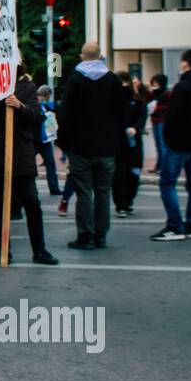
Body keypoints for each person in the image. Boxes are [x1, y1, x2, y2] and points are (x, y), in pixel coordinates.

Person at [0, 71, 58, 265]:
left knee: (32, 203)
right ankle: (4, 250)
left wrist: (19, 106)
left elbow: (36, 116)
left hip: (20, 155)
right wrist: (1, 99)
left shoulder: (28, 88)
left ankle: (39, 250)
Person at [55, 43, 125, 250]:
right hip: (107, 146)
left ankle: (85, 235)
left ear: (81, 56)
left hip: (81, 147)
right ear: (101, 56)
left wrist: (64, 142)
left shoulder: (75, 80)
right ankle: (101, 234)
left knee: (84, 192)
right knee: (103, 192)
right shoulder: (112, 80)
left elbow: (65, 113)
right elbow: (121, 114)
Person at [151, 50, 191, 241]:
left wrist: (169, 137)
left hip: (179, 142)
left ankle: (174, 225)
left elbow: (173, 116)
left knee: (167, 182)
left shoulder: (183, 87)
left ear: (186, 64)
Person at [112, 70, 147, 217]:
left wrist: (135, 128)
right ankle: (121, 204)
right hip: (118, 141)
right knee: (119, 173)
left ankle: (128, 201)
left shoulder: (137, 99)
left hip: (133, 142)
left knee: (134, 172)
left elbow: (142, 116)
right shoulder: (112, 100)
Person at [35, 85, 63, 196]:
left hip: (44, 139)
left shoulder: (46, 105)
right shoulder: (35, 103)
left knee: (50, 162)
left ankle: (54, 187)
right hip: (36, 138)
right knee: (34, 164)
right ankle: (49, 187)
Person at [147, 74, 170, 173]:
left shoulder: (167, 93)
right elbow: (147, 100)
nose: (155, 84)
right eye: (153, 82)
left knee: (162, 145)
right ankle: (158, 166)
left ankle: (163, 168)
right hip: (155, 120)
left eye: (156, 82)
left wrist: (158, 108)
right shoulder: (153, 93)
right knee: (158, 145)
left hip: (162, 121)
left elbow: (169, 107)